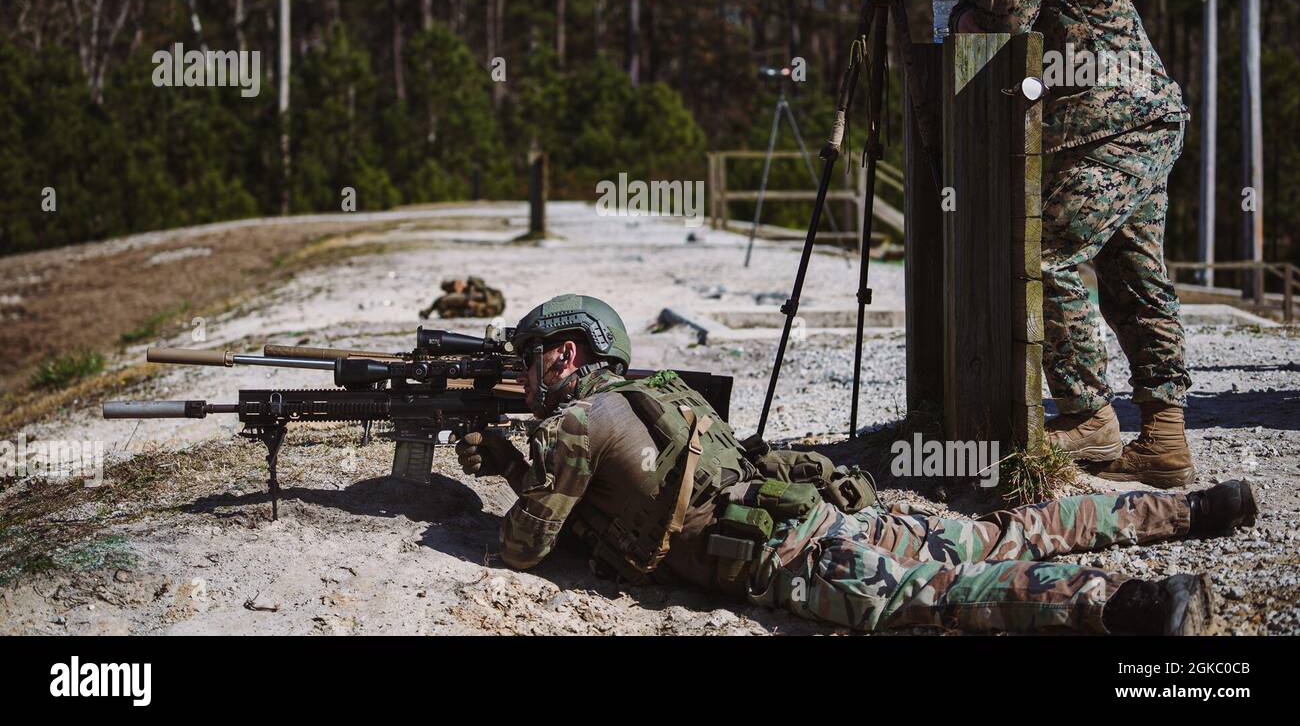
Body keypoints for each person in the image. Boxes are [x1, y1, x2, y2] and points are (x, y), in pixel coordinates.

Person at [456, 295, 1256, 634]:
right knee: (1000, 532)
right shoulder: (659, 397)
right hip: (825, 517)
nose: (523, 378)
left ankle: (1135, 607)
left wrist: (497, 472)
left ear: (564, 354)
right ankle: (1199, 509)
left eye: (528, 361)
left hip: (790, 559)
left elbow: (525, 548)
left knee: (943, 598)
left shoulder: (573, 422)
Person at [920, 0, 1195, 487]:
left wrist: (949, 14)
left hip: (1114, 117)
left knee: (1041, 257)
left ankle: (1088, 421)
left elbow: (1007, 25)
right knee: (1134, 276)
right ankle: (1164, 438)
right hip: (1135, 112)